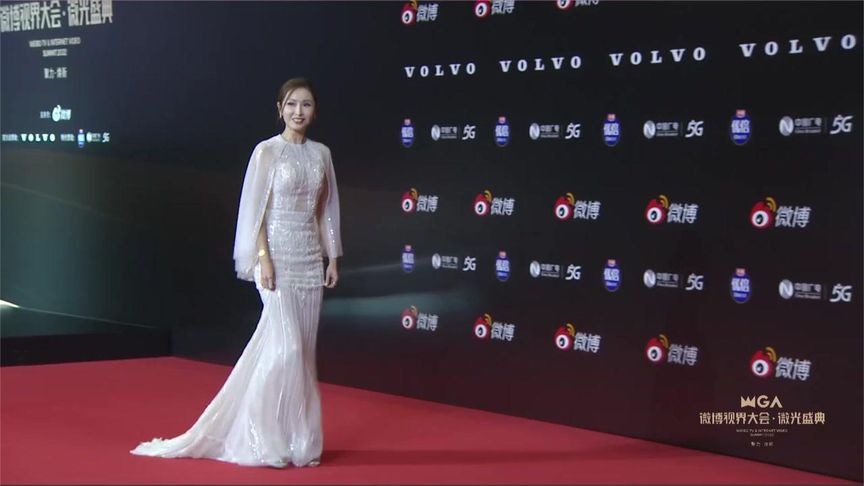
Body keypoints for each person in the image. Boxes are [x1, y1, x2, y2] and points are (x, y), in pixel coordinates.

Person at [130, 78, 342, 468]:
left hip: (310, 261)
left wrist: (332, 258)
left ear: (315, 111)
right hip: (275, 258)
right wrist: (263, 257)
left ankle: (301, 441)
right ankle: (261, 437)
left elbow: (325, 210)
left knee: (302, 355)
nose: (298, 111)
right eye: (291, 104)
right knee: (288, 349)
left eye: (306, 104)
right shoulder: (266, 152)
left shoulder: (321, 154)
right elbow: (255, 211)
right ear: (279, 109)